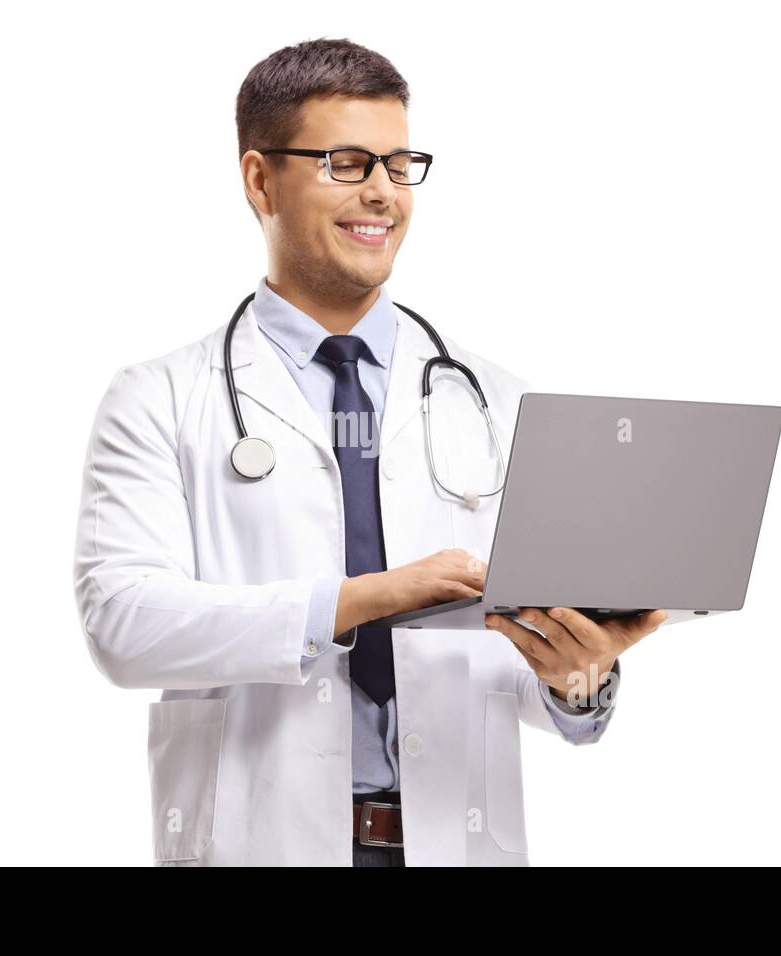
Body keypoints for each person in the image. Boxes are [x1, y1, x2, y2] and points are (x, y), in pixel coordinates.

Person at [72, 37, 667, 867]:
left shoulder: (497, 400)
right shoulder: (160, 398)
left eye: (398, 163)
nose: (383, 193)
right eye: (346, 163)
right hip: (259, 843)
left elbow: (535, 687)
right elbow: (125, 626)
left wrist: (581, 675)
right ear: (259, 180)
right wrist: (355, 600)